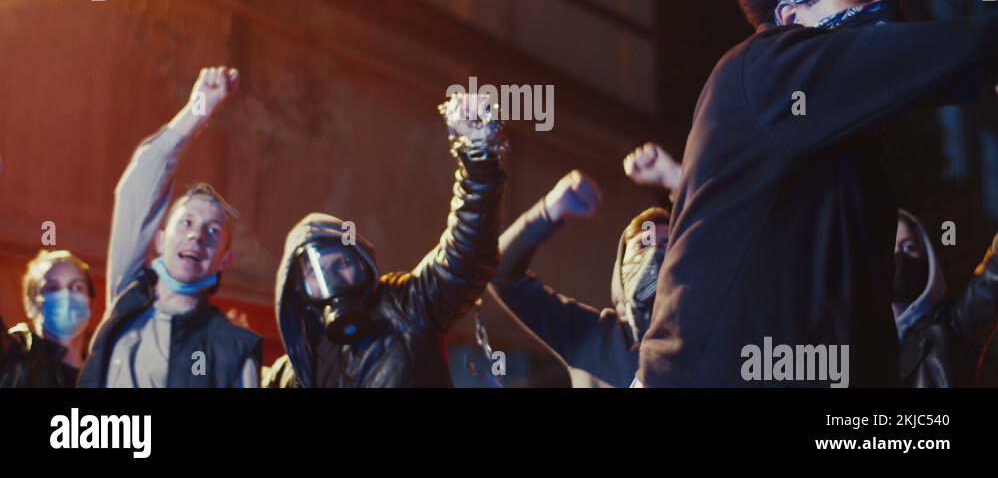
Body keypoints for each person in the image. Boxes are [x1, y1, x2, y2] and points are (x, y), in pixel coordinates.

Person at [638, 0, 998, 387]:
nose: (885, 8)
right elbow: (959, 49)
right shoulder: (767, 66)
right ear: (791, 16)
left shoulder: (847, 153)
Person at [262, 92, 508, 387]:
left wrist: (478, 156)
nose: (332, 279)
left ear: (362, 263)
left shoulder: (407, 307)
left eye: (340, 262)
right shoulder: (289, 375)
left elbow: (466, 255)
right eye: (315, 272)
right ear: (297, 288)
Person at [77, 67, 261, 388]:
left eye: (213, 232)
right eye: (186, 222)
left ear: (225, 260)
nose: (197, 235)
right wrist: (199, 109)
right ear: (160, 240)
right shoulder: (128, 296)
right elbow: (139, 185)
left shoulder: (233, 346)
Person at [489, 142, 677, 387]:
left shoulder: (706, 338)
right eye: (645, 244)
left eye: (666, 246)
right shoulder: (590, 337)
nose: (655, 254)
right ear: (620, 269)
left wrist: (677, 178)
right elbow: (502, 275)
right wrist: (548, 212)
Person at [893, 210, 998, 387]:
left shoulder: (951, 326)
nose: (899, 256)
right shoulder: (849, 338)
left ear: (927, 257)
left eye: (909, 247)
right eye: (888, 247)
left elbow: (993, 279)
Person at [1, 250, 94, 387]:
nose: (66, 295)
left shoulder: (106, 372)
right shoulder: (14, 360)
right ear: (31, 305)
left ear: (91, 302)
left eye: (77, 287)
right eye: (52, 288)